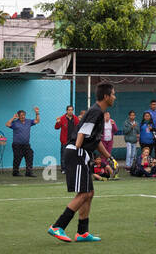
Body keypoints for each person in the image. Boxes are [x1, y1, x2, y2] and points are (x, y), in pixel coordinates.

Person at [48, 81, 113, 242]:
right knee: (83, 193)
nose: (114, 97)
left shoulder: (98, 112)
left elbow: (96, 140)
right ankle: (57, 226)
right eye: (112, 94)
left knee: (89, 193)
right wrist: (78, 149)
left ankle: (82, 232)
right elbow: (83, 132)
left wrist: (108, 158)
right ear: (106, 96)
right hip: (77, 153)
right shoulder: (96, 111)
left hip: (82, 154)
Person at [7, 106, 40, 177]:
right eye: (21, 115)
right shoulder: (15, 122)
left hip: (26, 144)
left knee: (30, 155)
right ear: (18, 116)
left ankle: (29, 172)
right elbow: (7, 124)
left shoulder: (28, 121)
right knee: (17, 158)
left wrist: (37, 113)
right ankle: (15, 172)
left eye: (24, 115)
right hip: (17, 144)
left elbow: (37, 121)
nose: (23, 116)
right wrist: (13, 118)